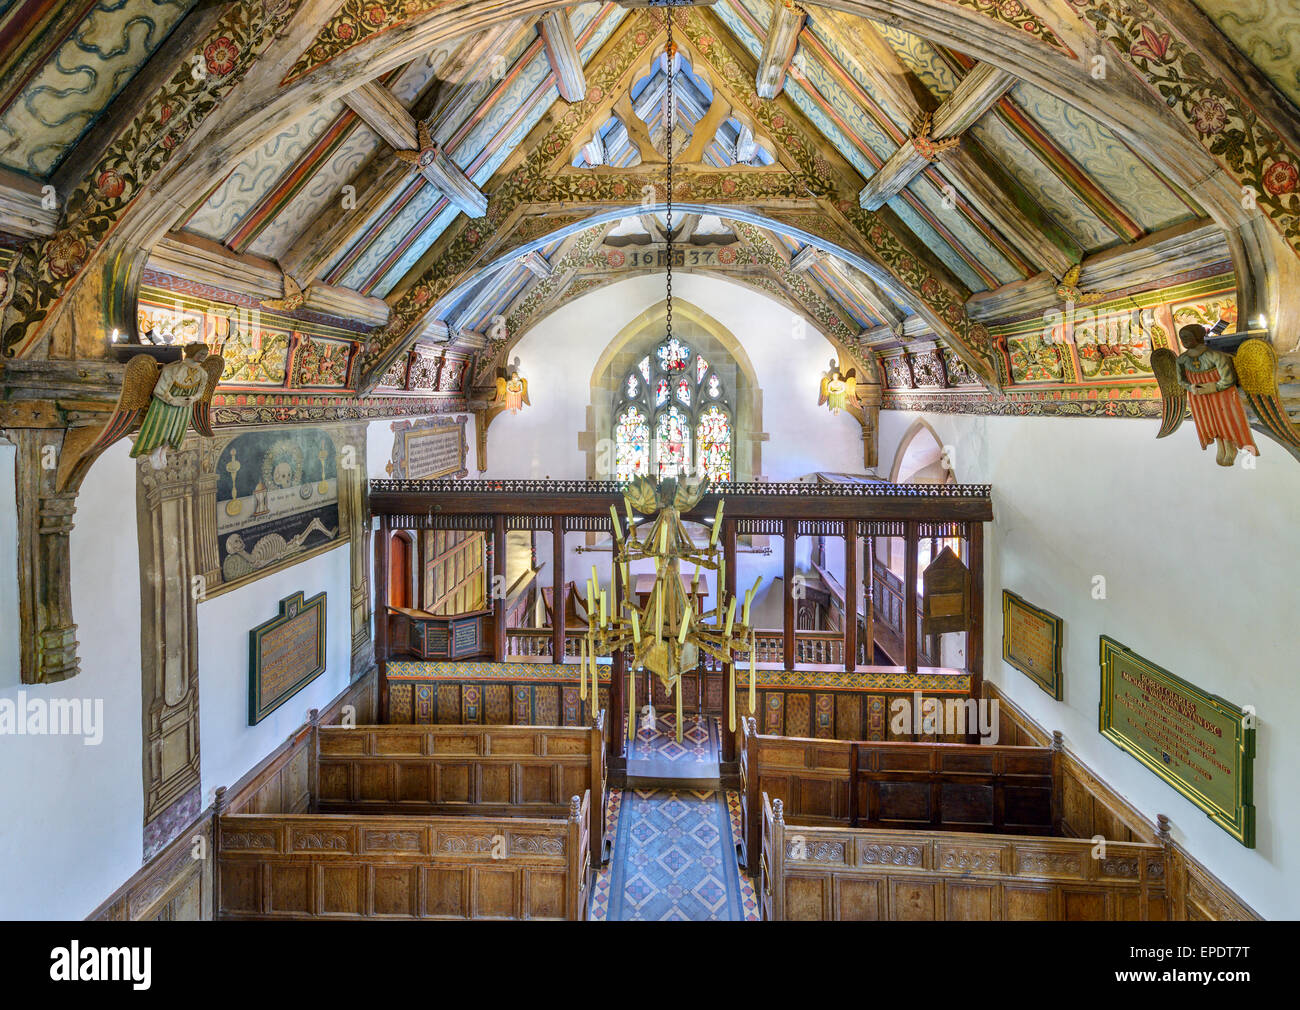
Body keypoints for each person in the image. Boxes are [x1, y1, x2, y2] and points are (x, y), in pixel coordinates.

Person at [1175, 304, 1257, 466]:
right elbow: (1180, 380)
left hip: (1221, 394)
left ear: (1198, 337)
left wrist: (1210, 387)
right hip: (1199, 396)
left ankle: (1229, 445)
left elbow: (1228, 379)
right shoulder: (1181, 359)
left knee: (1224, 418)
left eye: (1188, 337)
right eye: (1182, 338)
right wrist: (1190, 387)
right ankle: (1220, 444)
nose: (1184, 341)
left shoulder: (1215, 355)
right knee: (1209, 421)